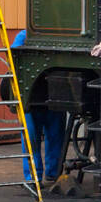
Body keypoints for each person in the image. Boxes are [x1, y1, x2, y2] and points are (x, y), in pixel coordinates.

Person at [10, 29, 65, 183]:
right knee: (31, 140)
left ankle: (49, 174)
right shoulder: (23, 36)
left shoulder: (54, 36)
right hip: (32, 100)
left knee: (53, 138)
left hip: (51, 98)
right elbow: (14, 58)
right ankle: (34, 177)